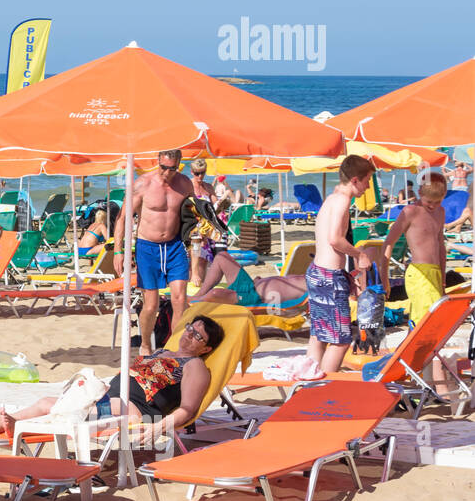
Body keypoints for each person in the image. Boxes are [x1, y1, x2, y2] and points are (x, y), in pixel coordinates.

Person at [0, 315, 223, 441]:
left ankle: (13, 427)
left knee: (74, 409)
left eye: (198, 336)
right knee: (47, 401)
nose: (189, 335)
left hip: (138, 411)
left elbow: (188, 409)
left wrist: (158, 427)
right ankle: (5, 423)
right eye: (190, 328)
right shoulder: (164, 351)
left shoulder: (195, 365)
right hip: (113, 397)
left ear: (206, 348)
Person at [113, 149, 194, 355]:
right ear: (157, 162)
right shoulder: (142, 184)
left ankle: (175, 349)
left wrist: (196, 245)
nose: (167, 172)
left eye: (172, 168)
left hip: (175, 246)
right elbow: (123, 218)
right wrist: (118, 250)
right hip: (147, 247)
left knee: (179, 299)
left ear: (179, 165)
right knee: (151, 305)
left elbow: (193, 216)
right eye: (163, 167)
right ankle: (146, 344)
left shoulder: (185, 184)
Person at [305, 155, 377, 374]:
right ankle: (324, 388)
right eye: (367, 181)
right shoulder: (343, 200)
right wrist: (359, 254)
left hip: (318, 272)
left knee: (319, 334)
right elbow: (335, 239)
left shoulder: (333, 197)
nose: (367, 187)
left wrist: (347, 276)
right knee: (340, 340)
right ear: (355, 180)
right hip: (328, 276)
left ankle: (308, 382)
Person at [384, 175, 449, 325]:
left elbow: (440, 247)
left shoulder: (441, 212)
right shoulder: (411, 211)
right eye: (429, 202)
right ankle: (418, 348)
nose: (433, 206)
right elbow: (388, 243)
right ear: (420, 193)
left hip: (435, 271)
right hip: (419, 272)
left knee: (430, 319)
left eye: (438, 201)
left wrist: (443, 281)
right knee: (425, 321)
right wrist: (384, 278)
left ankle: (417, 348)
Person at [189, 252, 307, 310]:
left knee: (215, 294)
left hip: (253, 297)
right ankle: (199, 295)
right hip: (251, 285)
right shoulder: (313, 275)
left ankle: (196, 302)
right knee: (222, 257)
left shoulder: (316, 287)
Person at [188, 159, 216, 286]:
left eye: (202, 173)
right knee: (193, 256)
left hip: (207, 226)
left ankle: (201, 287)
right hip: (192, 225)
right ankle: (191, 283)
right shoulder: (187, 186)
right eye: (196, 173)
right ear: (192, 172)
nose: (199, 176)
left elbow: (215, 206)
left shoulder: (208, 187)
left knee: (204, 259)